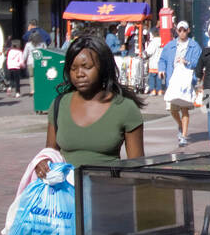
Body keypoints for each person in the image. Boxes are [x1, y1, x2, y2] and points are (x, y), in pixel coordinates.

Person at [38, 33, 145, 177]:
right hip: (65, 195)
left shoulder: (125, 108)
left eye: (86, 67)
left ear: (103, 67)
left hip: (108, 193)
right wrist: (43, 164)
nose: (79, 74)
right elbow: (50, 154)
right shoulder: (59, 104)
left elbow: (137, 167)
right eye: (73, 68)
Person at [158, 20, 202, 147]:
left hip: (186, 80)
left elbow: (198, 62)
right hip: (172, 80)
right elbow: (162, 59)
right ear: (176, 31)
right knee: (172, 109)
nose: (182, 32)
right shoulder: (170, 45)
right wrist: (161, 70)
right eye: (179, 30)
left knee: (184, 109)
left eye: (184, 30)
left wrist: (186, 61)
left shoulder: (194, 45)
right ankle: (180, 125)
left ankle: (183, 135)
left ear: (188, 30)